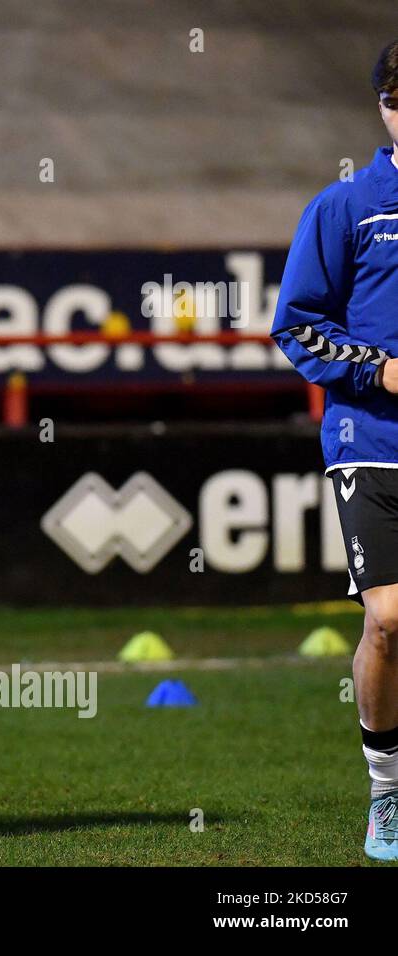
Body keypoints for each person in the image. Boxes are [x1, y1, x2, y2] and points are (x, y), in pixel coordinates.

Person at [270, 40, 398, 862]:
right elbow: (297, 323)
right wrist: (382, 369)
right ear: (386, 105)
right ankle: (386, 797)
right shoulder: (347, 203)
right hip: (371, 438)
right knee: (388, 621)